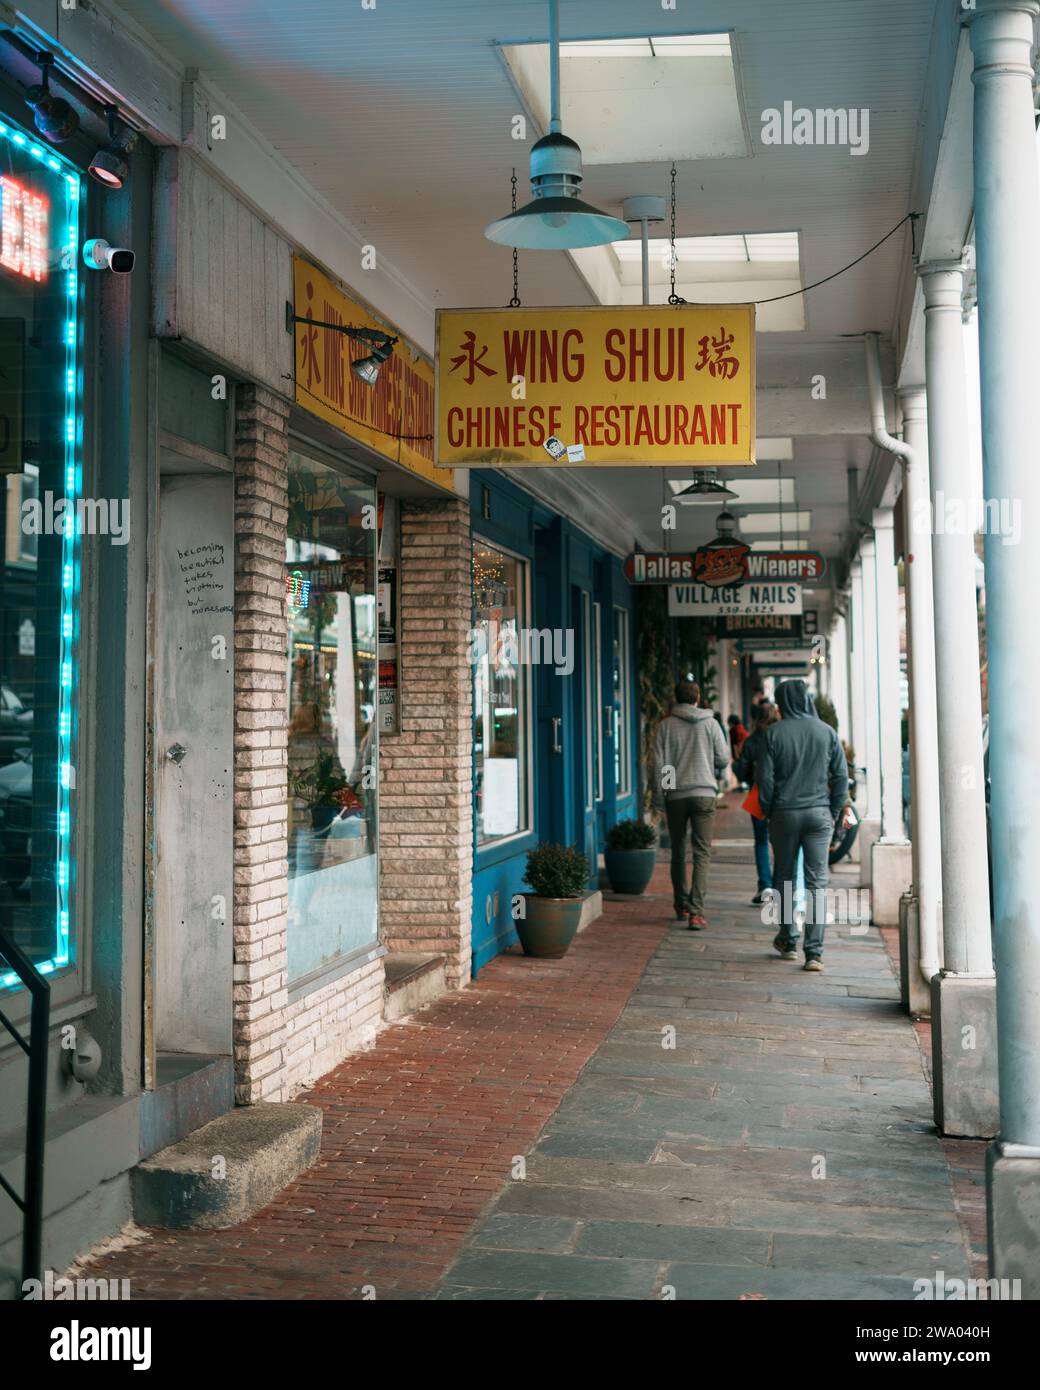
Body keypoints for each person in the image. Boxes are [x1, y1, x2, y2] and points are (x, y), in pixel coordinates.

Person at [755, 678, 848, 972]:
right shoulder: (827, 732)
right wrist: (831, 813)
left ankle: (788, 940)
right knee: (817, 883)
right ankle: (815, 953)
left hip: (784, 813)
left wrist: (770, 811)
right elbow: (841, 778)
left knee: (784, 879)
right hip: (819, 814)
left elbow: (765, 781)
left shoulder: (773, 734)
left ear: (782, 702)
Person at [651, 679, 729, 931]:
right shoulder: (711, 723)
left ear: (676, 698)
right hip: (705, 792)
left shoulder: (666, 726)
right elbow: (723, 759)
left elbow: (662, 764)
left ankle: (681, 904)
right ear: (697, 699)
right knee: (702, 852)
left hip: (676, 795)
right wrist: (706, 764)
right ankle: (696, 912)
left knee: (678, 849)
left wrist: (665, 794)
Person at [734, 701, 779, 904]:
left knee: (761, 841)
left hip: (757, 794)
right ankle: (779, 885)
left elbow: (742, 772)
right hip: (780, 795)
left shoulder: (751, 741)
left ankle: (765, 885)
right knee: (781, 842)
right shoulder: (781, 737)